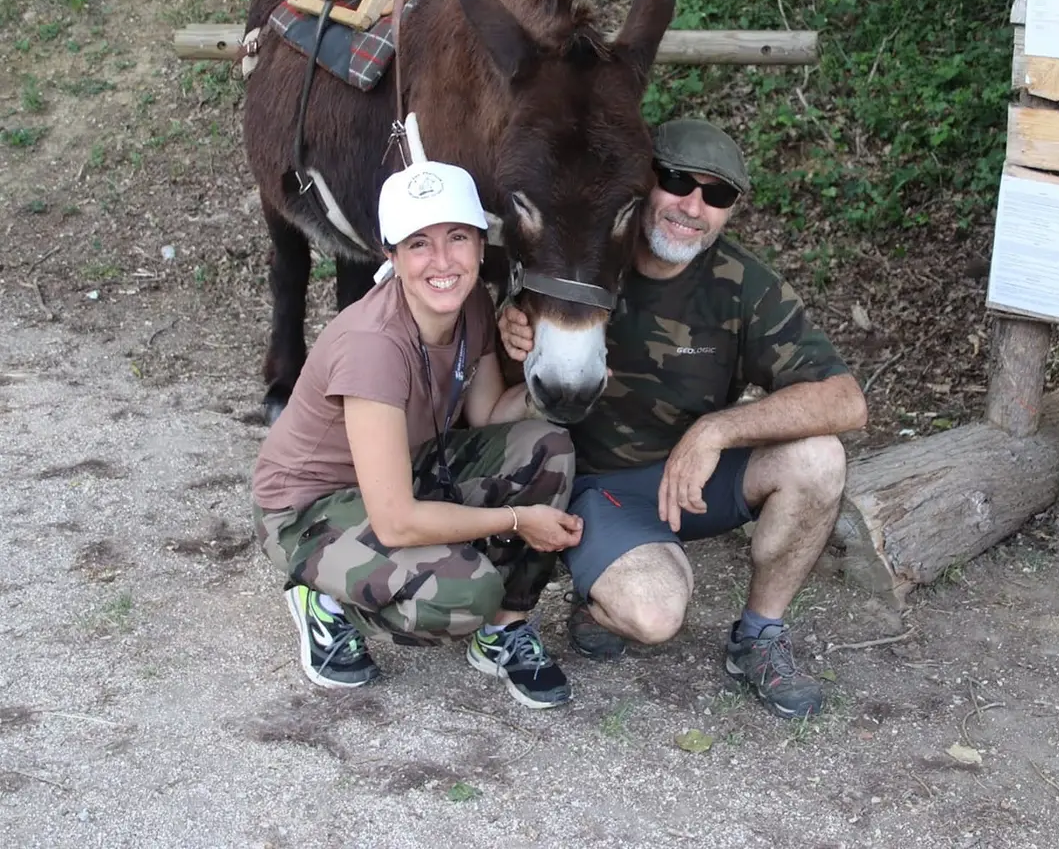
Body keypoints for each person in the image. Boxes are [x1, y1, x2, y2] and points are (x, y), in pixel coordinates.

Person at [500, 118, 867, 719]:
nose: (692, 206)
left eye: (716, 194)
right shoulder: (581, 254)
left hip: (692, 478)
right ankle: (599, 590)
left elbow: (846, 399)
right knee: (654, 614)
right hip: (598, 490)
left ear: (730, 210)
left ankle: (759, 637)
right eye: (676, 182)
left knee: (819, 457)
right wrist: (508, 325)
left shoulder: (739, 282)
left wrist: (718, 429)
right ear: (640, 183)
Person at [252, 158, 583, 709]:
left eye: (457, 238)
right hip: (307, 509)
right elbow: (397, 519)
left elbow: (487, 418)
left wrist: (545, 386)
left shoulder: (471, 304)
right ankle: (323, 600)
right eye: (418, 244)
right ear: (391, 257)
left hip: (400, 471)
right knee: (462, 593)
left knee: (548, 446)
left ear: (481, 245)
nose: (443, 261)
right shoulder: (373, 346)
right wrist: (521, 521)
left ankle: (503, 629)